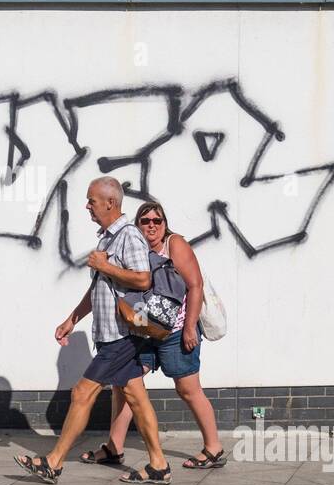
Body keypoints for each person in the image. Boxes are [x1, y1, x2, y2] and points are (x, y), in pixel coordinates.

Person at [12, 177, 173, 485]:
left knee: (81, 392)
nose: (87, 206)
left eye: (91, 201)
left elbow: (143, 280)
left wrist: (106, 266)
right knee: (136, 398)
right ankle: (158, 465)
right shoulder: (107, 239)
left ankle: (53, 462)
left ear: (110, 203)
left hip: (122, 335)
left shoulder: (129, 237)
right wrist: (73, 318)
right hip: (110, 333)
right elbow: (99, 287)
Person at [79, 200, 226, 471]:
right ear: (138, 225)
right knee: (126, 384)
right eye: (145, 221)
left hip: (176, 331)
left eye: (157, 221)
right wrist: (73, 318)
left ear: (164, 223)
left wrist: (191, 327)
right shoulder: (134, 246)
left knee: (187, 389)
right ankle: (114, 447)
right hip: (143, 331)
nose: (151, 226)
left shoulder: (175, 244)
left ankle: (214, 448)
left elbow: (195, 285)